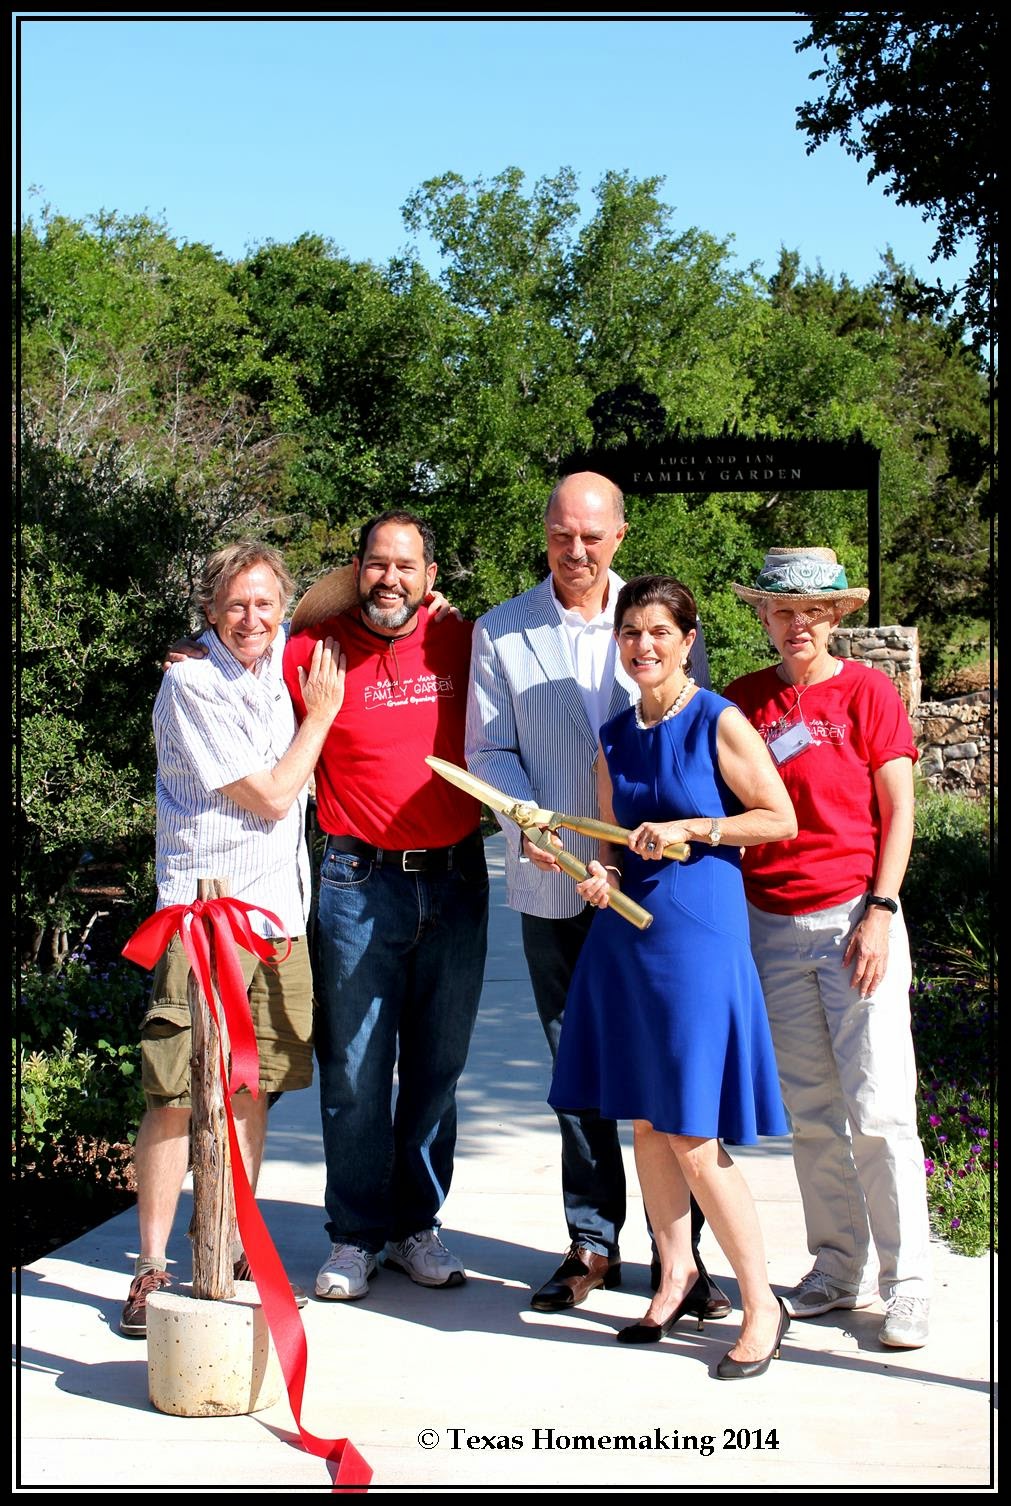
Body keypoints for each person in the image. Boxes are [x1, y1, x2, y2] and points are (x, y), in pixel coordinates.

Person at [466, 472, 730, 1318]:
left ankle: (680, 1260)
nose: (573, 551)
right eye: (559, 535)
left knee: (666, 1076)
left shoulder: (653, 624)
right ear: (543, 533)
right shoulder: (500, 632)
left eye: (590, 536)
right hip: (555, 883)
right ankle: (590, 1242)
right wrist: (528, 833)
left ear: (619, 533)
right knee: (575, 1072)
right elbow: (488, 753)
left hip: (655, 892)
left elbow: (698, 743)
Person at [548, 575, 797, 1378]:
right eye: (630, 633)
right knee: (646, 1120)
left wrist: (696, 825)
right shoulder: (613, 735)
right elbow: (610, 847)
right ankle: (675, 1270)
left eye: (659, 632)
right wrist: (598, 877)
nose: (643, 645)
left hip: (698, 933)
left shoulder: (716, 718)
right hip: (629, 939)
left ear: (687, 640)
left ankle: (762, 1303)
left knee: (689, 1129)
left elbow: (778, 817)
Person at [120, 542, 346, 1338]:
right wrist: (321, 716)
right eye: (235, 605)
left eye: (265, 604)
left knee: (256, 1088)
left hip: (278, 915)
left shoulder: (285, 659)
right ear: (210, 610)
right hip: (206, 918)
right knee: (177, 1093)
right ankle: (150, 1269)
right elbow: (274, 796)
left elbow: (352, 606)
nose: (252, 619)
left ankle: (230, 1239)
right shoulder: (190, 683)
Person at [724, 546, 932, 1350]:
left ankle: (906, 1281)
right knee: (812, 1115)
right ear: (763, 617)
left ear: (835, 615)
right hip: (770, 928)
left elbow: (897, 811)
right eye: (781, 611)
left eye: (811, 611)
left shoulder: (867, 693)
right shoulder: (742, 704)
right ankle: (835, 1269)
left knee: (880, 1108)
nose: (795, 624)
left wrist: (880, 910)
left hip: (855, 921)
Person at [283, 510, 488, 1302]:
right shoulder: (313, 651)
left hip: (457, 879)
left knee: (437, 1066)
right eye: (377, 563)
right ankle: (354, 1235)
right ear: (357, 569)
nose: (390, 579)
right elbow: (239, 662)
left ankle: (415, 1228)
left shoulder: (463, 642)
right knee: (358, 1071)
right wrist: (192, 658)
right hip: (356, 882)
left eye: (406, 566)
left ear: (430, 578)